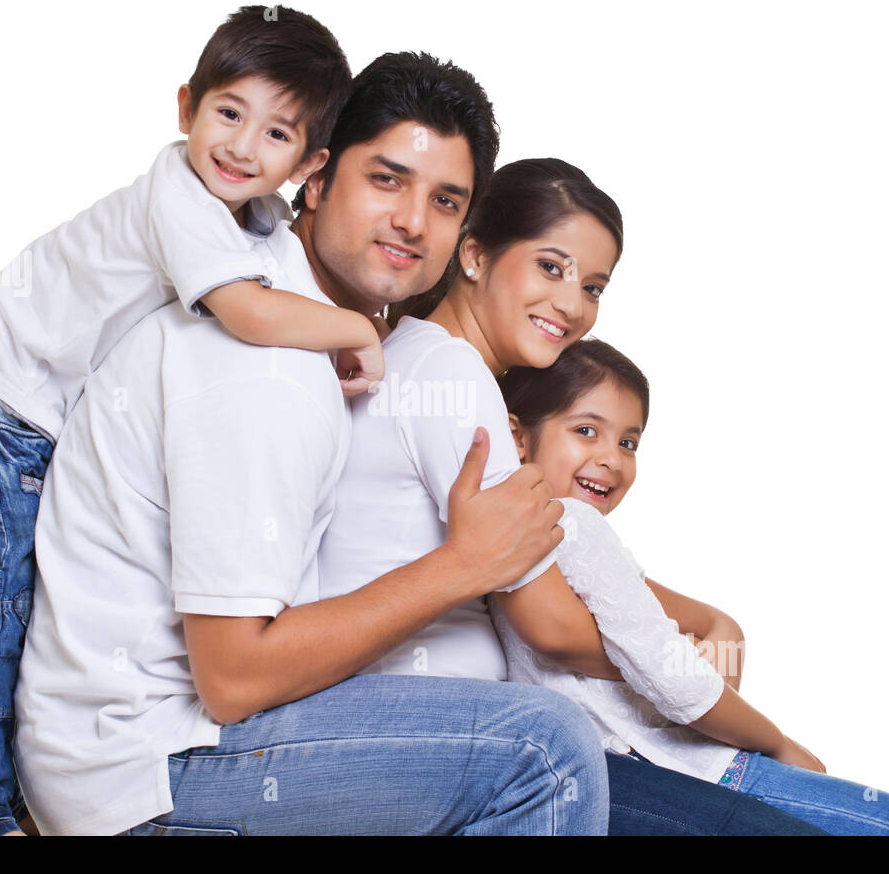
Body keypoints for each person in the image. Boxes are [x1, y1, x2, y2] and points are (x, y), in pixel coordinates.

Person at [12, 51, 615, 835]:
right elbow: (233, 677)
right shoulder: (267, 367)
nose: (411, 222)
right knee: (543, 750)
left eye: (445, 201)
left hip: (150, 748)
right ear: (318, 178)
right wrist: (463, 566)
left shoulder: (311, 328)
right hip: (150, 768)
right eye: (386, 180)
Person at [0, 4, 376, 835]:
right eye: (228, 113)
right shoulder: (182, 197)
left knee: (33, 600)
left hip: (35, 413)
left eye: (275, 135)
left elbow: (277, 294)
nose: (241, 146)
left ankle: (17, 803)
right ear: (184, 107)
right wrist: (354, 331)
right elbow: (249, 314)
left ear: (309, 164)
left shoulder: (255, 221)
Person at [318, 157, 827, 835]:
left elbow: (573, 564)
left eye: (592, 285)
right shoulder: (454, 379)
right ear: (475, 254)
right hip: (454, 753)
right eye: (550, 268)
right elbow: (552, 627)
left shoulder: (428, 360)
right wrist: (667, 661)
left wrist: (695, 624)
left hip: (483, 746)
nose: (571, 303)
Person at [491, 337, 889, 835]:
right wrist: (778, 744)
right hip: (682, 766)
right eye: (587, 430)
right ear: (518, 437)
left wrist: (692, 649)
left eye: (629, 442)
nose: (612, 458)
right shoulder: (575, 523)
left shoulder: (519, 531)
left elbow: (706, 635)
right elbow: (675, 681)